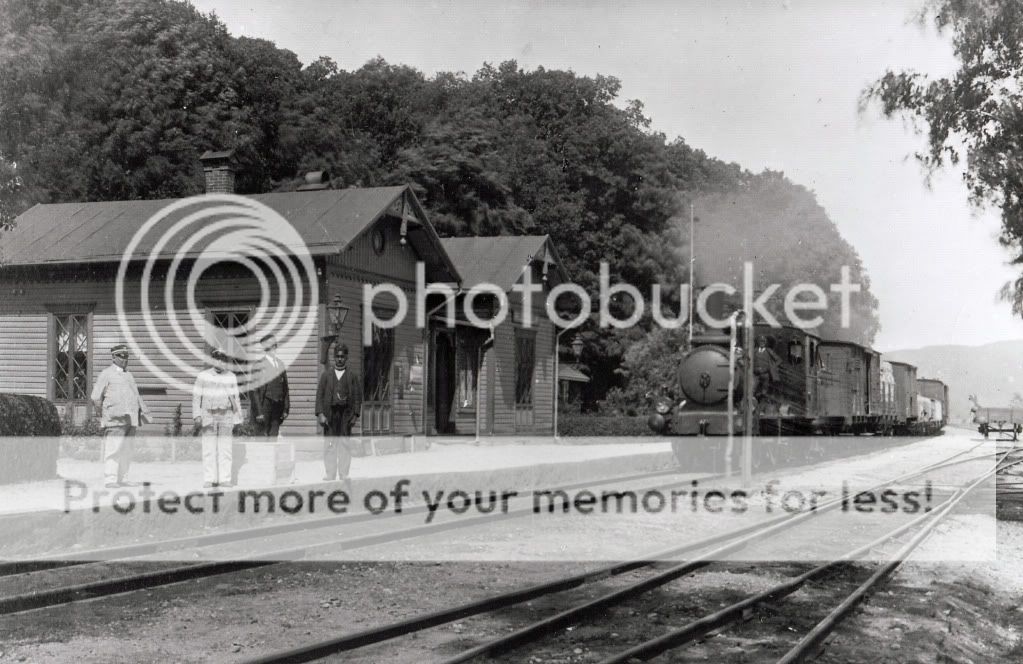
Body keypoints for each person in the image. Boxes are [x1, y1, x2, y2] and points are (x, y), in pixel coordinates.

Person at [91, 344, 151, 488]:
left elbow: (135, 395)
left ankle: (123, 478)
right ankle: (110, 479)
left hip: (131, 418)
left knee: (127, 450)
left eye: (126, 357)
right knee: (113, 449)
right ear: (114, 357)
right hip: (115, 419)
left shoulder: (129, 375)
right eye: (121, 356)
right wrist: (103, 416)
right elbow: (95, 397)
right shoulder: (106, 374)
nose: (124, 360)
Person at [192, 348, 242, 488]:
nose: (219, 362)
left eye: (223, 359)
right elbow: (196, 397)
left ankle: (224, 478)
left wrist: (237, 418)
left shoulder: (231, 376)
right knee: (209, 448)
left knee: (225, 448)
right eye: (217, 359)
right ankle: (210, 478)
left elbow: (236, 397)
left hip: (226, 415)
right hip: (208, 414)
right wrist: (197, 414)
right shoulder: (203, 376)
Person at [315, 344, 362, 482]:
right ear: (334, 357)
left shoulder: (352, 376)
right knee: (330, 444)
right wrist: (321, 414)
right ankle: (330, 473)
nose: (340, 359)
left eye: (342, 356)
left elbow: (358, 397)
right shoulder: (326, 375)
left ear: (346, 357)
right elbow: (319, 395)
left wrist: (355, 415)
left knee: (344, 444)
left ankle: (343, 473)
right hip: (330, 415)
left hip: (345, 416)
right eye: (337, 356)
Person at [252, 333, 290, 439]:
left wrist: (286, 408)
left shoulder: (280, 364)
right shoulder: (258, 365)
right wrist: (259, 412)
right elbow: (254, 391)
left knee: (274, 435)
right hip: (264, 405)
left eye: (274, 344)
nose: (273, 347)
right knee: (262, 437)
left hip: (278, 406)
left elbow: (285, 389)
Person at [752, 335, 780, 400]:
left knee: (764, 392)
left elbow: (778, 360)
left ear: (765, 343)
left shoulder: (769, 351)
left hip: (765, 374)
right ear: (758, 342)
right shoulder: (754, 350)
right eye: (761, 341)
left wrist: (772, 367)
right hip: (755, 374)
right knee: (752, 389)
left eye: (763, 342)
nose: (762, 343)